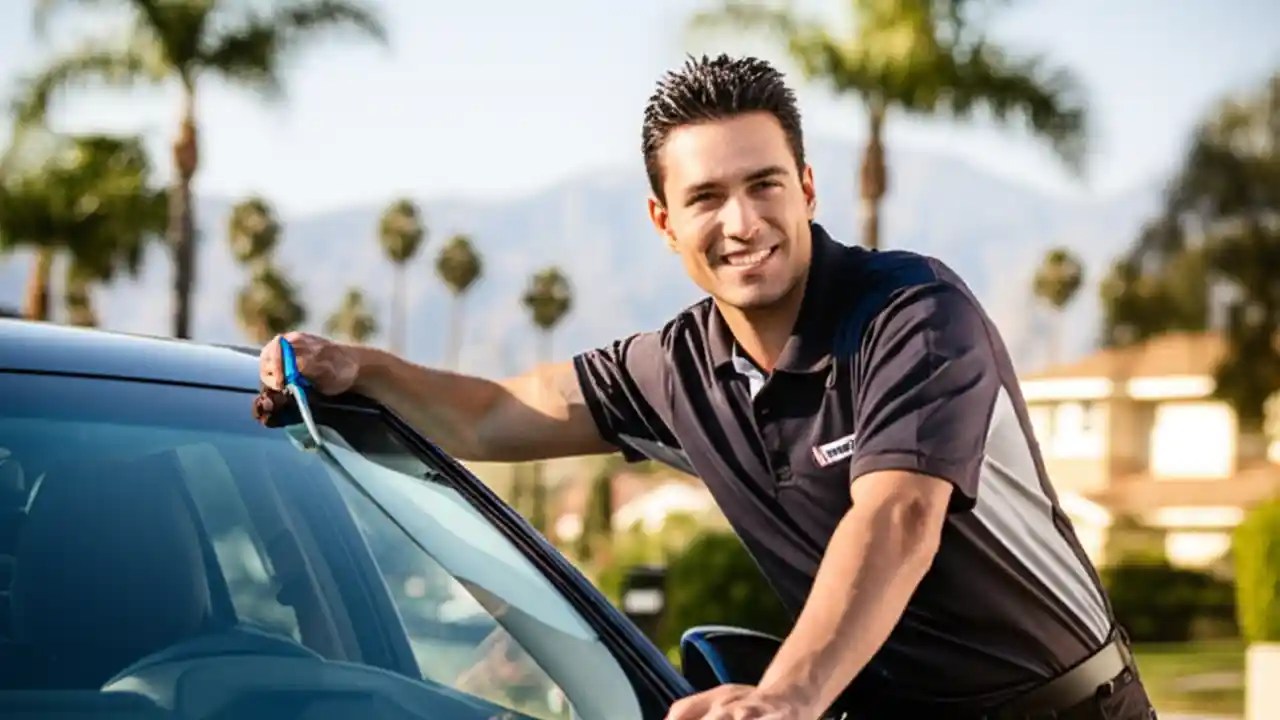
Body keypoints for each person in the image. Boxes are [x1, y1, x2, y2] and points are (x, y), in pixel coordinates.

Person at [259, 54, 1156, 720]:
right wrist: (364, 369)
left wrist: (787, 696)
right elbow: (495, 412)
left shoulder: (912, 313)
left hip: (1072, 710)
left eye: (765, 184)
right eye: (706, 197)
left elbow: (897, 516)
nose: (742, 222)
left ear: (806, 187)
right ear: (664, 221)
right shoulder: (675, 368)